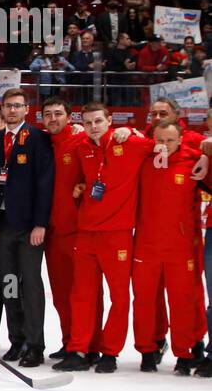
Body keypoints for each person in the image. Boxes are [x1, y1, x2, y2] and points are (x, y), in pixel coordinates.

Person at [55, 105, 154, 373]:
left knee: (119, 296)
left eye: (98, 121)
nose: (93, 126)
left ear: (109, 120)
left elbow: (161, 140)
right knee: (82, 295)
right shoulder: (82, 146)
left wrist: (131, 129)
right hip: (86, 231)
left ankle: (110, 352)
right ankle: (79, 349)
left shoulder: (130, 143)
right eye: (87, 123)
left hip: (118, 234)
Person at [133, 122, 207, 375]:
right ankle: (146, 350)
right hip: (146, 244)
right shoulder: (142, 159)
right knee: (144, 300)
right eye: (159, 140)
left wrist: (207, 156)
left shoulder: (193, 159)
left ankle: (185, 353)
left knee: (182, 301)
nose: (164, 146)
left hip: (180, 246)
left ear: (180, 141)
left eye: (170, 141)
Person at [0, 88, 55, 367]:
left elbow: (45, 183)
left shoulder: (39, 139)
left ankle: (35, 344)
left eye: (17, 106)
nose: (12, 110)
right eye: (8, 106)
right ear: (2, 110)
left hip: (29, 227)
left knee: (29, 284)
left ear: (26, 109)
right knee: (9, 284)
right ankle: (16, 339)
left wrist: (40, 223)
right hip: (3, 225)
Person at [39, 97, 87, 362]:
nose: (53, 118)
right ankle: (70, 341)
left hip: (77, 230)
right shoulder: (43, 142)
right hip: (52, 231)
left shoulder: (80, 140)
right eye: (48, 114)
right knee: (60, 294)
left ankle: (86, 345)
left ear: (70, 117)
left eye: (58, 113)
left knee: (81, 293)